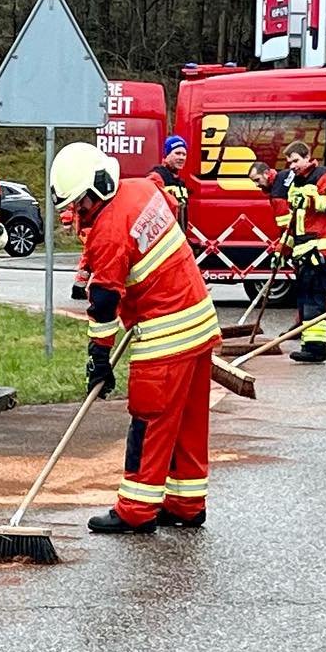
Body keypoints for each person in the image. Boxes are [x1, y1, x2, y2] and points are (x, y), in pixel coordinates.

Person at [50, 141, 221, 534]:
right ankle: (187, 504)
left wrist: (98, 358)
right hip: (199, 324)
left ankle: (136, 510)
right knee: (189, 423)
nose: (78, 214)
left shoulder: (108, 231)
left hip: (165, 337)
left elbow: (104, 303)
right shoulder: (144, 188)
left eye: (80, 205)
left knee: (150, 422)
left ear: (95, 191)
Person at [278, 141, 326, 364]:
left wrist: (309, 201)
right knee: (306, 300)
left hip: (321, 248)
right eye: (289, 162)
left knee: (316, 300)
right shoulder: (296, 183)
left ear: (308, 157)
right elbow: (295, 224)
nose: (292, 166)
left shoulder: (322, 175)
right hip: (304, 249)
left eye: (296, 161)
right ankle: (309, 346)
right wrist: (282, 250)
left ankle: (316, 349)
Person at [149, 135, 191, 224]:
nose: (182, 158)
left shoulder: (180, 183)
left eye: (184, 154)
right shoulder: (156, 177)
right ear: (167, 155)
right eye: (177, 153)